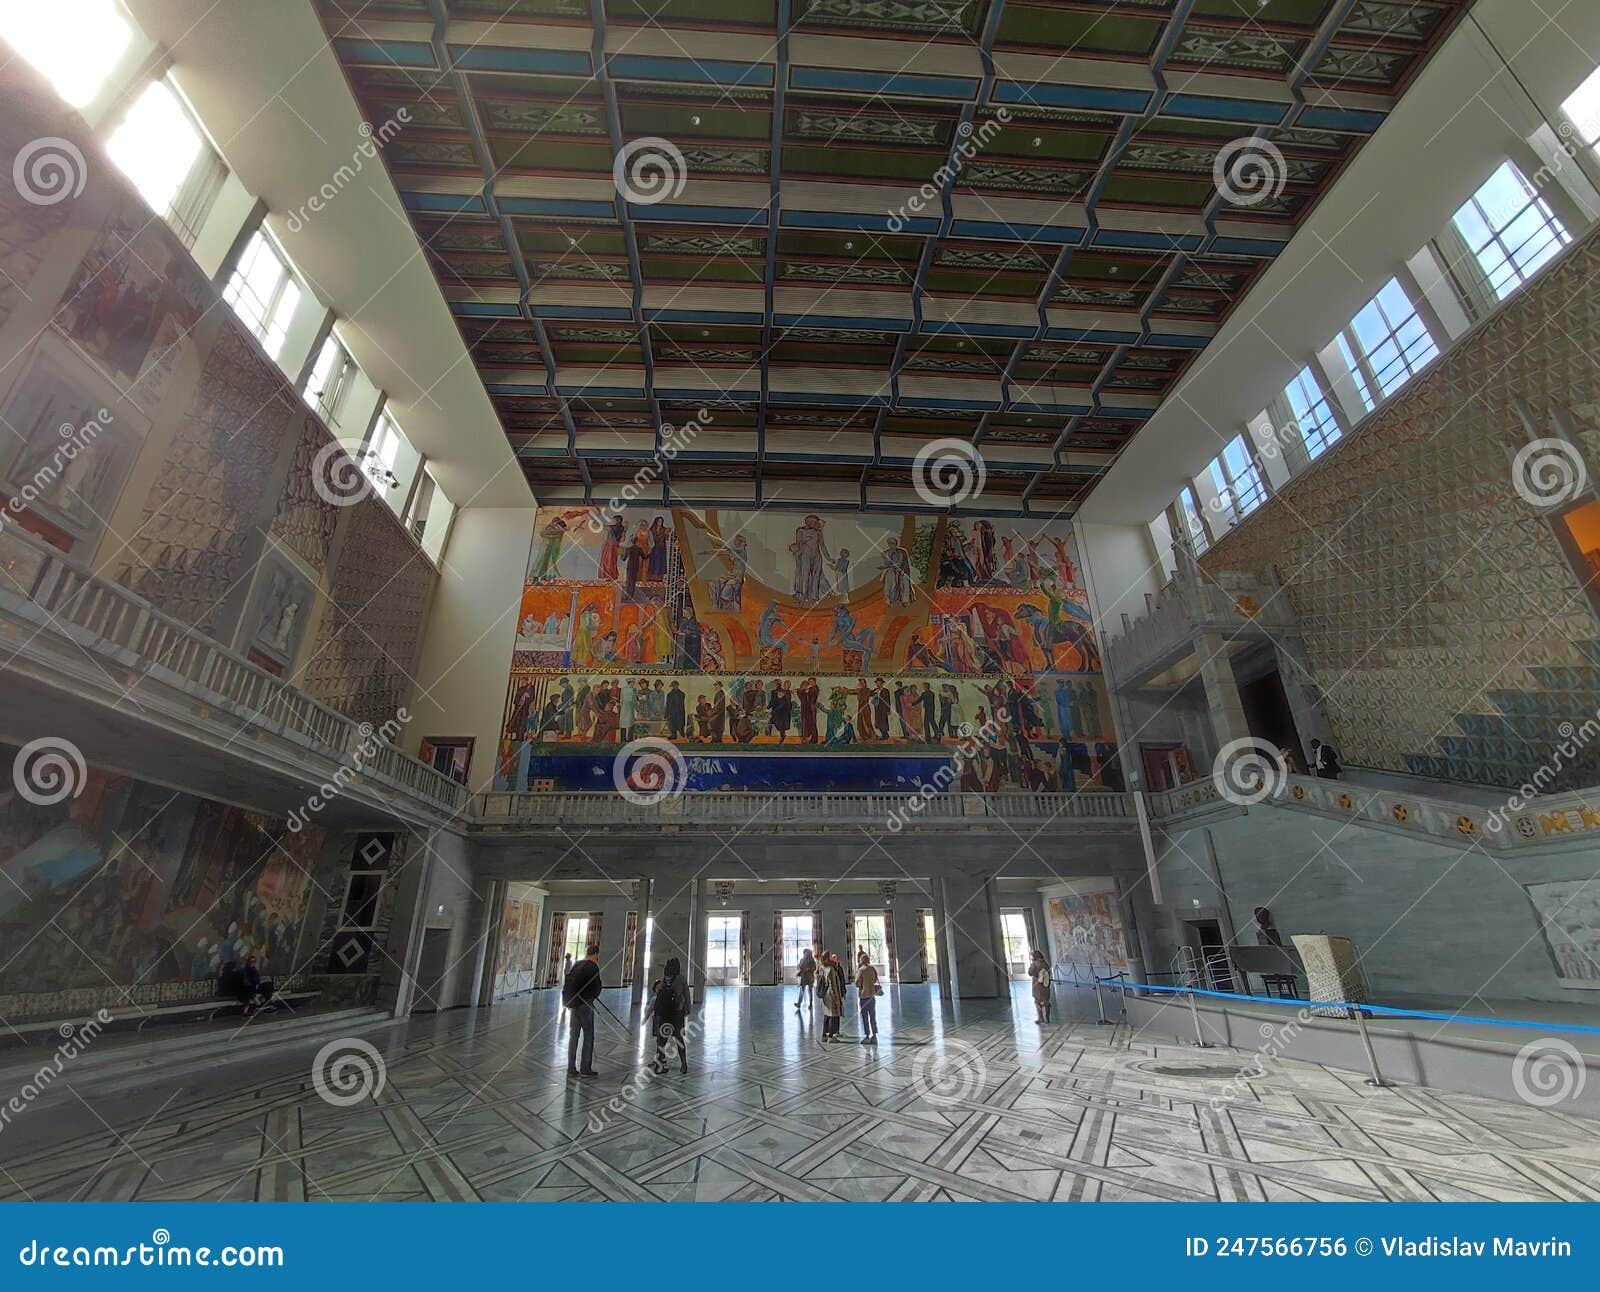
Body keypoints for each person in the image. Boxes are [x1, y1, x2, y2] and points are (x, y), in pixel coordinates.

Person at [562, 944, 602, 1077]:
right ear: (595, 954)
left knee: (573, 1036)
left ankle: (571, 1068)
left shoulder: (577, 964)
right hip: (586, 1005)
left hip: (574, 1004)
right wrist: (592, 996)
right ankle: (585, 1068)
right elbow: (597, 987)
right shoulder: (593, 966)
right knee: (588, 1036)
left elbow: (569, 983)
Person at [650, 958, 690, 1074]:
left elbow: (658, 993)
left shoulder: (664, 979)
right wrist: (687, 1009)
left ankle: (660, 1065)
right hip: (677, 1013)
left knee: (662, 1040)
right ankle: (684, 1064)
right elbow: (686, 995)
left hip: (665, 1013)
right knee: (679, 1039)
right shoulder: (681, 979)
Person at [854, 950, 881, 1044]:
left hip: (864, 996)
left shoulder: (861, 970)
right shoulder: (872, 969)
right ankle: (874, 1035)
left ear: (861, 960)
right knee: (873, 1016)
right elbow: (875, 979)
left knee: (865, 1017)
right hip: (872, 996)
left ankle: (867, 1036)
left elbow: (857, 983)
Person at [819, 950, 845, 1043]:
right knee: (833, 1015)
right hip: (831, 995)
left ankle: (824, 1035)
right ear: (827, 958)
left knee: (826, 1015)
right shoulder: (831, 969)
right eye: (830, 956)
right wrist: (836, 998)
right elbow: (833, 985)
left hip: (825, 995)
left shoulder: (822, 968)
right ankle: (831, 1036)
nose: (832, 958)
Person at [1028, 949, 1052, 1024]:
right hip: (1045, 985)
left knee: (1037, 1002)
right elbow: (1049, 973)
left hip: (1037, 986)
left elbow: (1030, 973)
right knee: (1046, 1001)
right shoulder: (1045, 963)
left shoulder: (1034, 964)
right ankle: (1047, 1018)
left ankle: (1041, 1018)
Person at [796, 946, 816, 1011]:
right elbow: (799, 966)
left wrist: (808, 969)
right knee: (802, 991)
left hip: (809, 977)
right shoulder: (802, 960)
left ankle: (810, 1004)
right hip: (804, 977)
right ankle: (799, 1003)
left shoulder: (812, 961)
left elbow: (814, 968)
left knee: (809, 991)